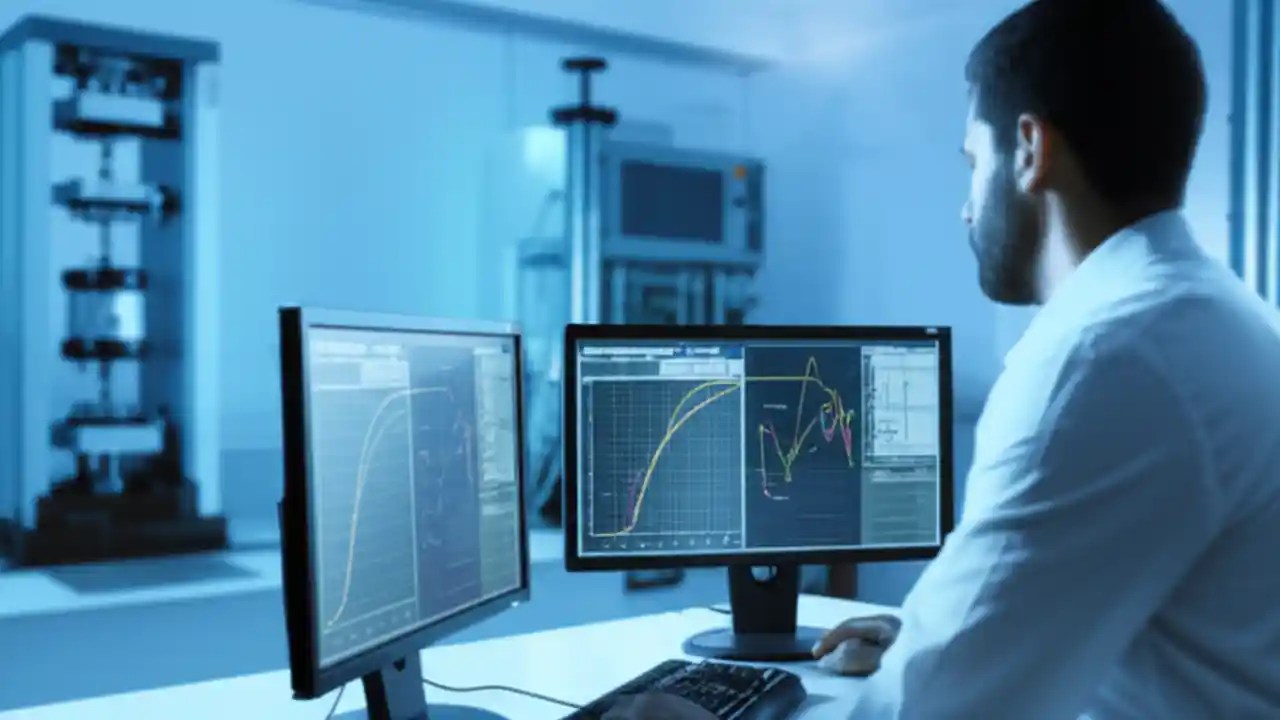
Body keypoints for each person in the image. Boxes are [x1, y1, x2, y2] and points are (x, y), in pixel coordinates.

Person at [608, 0, 1280, 717]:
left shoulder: (1107, 359)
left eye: (973, 163)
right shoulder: (1218, 318)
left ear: (1030, 151)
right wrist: (938, 641)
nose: (965, 208)